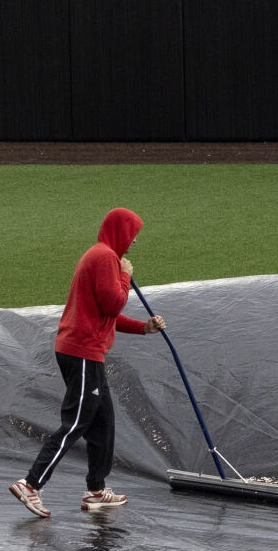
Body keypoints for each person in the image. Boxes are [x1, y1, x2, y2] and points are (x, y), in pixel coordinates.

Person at [10, 207, 166, 518]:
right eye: (133, 235)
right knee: (77, 422)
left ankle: (96, 490)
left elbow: (103, 312)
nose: (134, 242)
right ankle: (31, 484)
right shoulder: (106, 257)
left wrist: (142, 327)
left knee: (103, 421)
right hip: (82, 352)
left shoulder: (101, 255)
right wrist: (125, 275)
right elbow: (113, 301)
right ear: (121, 232)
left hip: (83, 350)